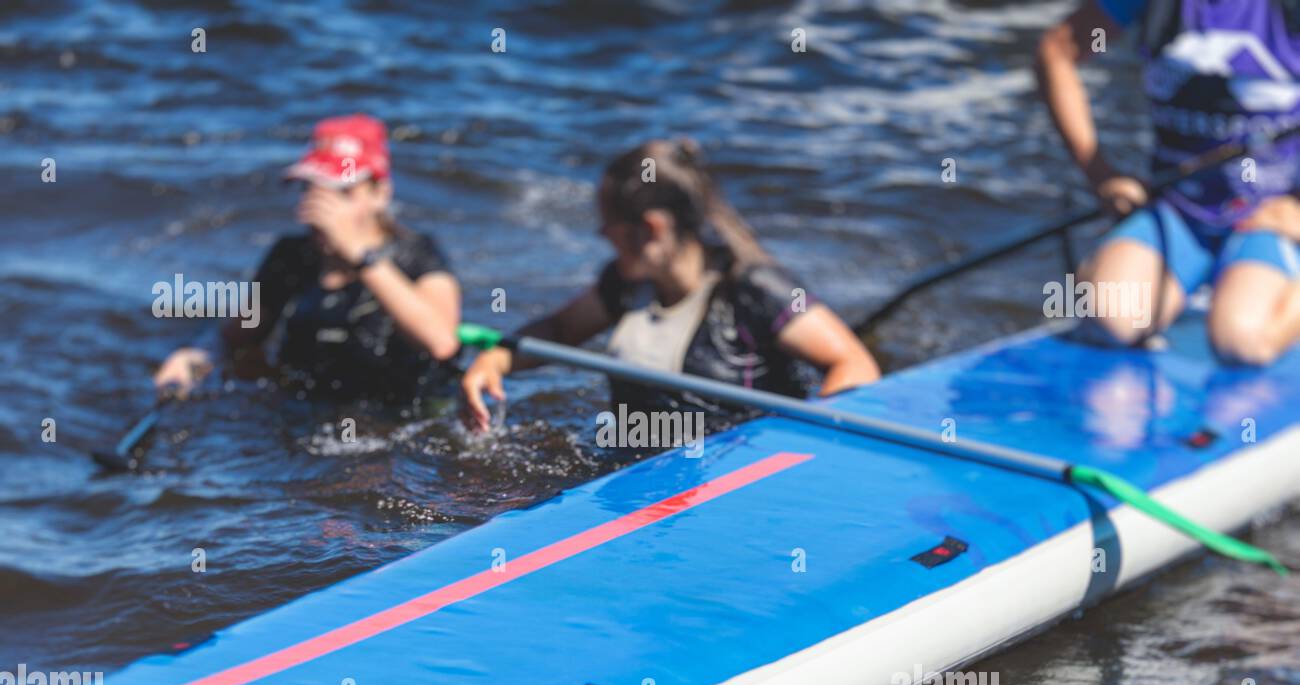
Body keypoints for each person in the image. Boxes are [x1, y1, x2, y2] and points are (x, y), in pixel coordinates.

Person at [461, 139, 881, 432]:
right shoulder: (624, 286)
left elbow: (853, 364)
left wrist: (796, 446)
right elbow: (556, 331)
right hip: (644, 462)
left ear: (651, 228)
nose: (602, 237)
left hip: (737, 475)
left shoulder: (754, 288)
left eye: (608, 227)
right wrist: (494, 361)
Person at [1036, 0, 1300, 365]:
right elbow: (1056, 52)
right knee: (1110, 319)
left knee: (1243, 342)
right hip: (1178, 210)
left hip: (1264, 218)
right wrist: (1101, 174)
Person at [154, 114, 461, 403]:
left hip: (394, 414)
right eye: (312, 190)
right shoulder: (291, 257)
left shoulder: (417, 253)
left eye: (343, 192)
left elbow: (441, 342)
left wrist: (360, 256)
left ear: (379, 194)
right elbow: (238, 335)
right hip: (305, 411)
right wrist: (194, 357)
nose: (321, 208)